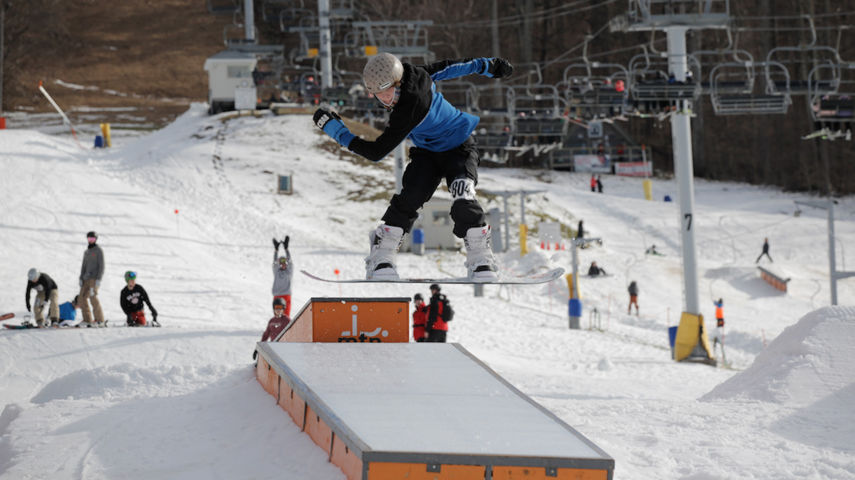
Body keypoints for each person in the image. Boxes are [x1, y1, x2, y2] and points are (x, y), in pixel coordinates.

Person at [313, 53, 514, 281]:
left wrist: (336, 131)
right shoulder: (416, 74)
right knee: (409, 198)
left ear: (398, 82)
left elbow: (376, 152)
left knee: (462, 193)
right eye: (378, 95)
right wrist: (488, 66)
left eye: (387, 92)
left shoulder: (408, 110)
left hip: (459, 147)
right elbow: (451, 67)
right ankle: (383, 256)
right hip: (427, 154)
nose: (385, 100)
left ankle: (481, 258)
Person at [79, 231, 105, 327]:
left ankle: (100, 320)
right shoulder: (87, 252)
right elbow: (83, 266)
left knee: (92, 296)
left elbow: (101, 266)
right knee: (81, 298)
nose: (91, 241)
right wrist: (81, 278)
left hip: (94, 279)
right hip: (85, 278)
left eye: (93, 239)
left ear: (96, 240)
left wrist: (99, 279)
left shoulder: (98, 251)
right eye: (89, 239)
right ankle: (87, 320)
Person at [272, 236, 294, 316]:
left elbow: (290, 262)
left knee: (286, 315)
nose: (283, 264)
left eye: (285, 262)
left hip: (286, 294)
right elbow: (274, 263)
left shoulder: (289, 272)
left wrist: (286, 249)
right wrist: (276, 250)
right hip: (277, 295)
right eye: (281, 262)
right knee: (277, 315)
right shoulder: (277, 272)